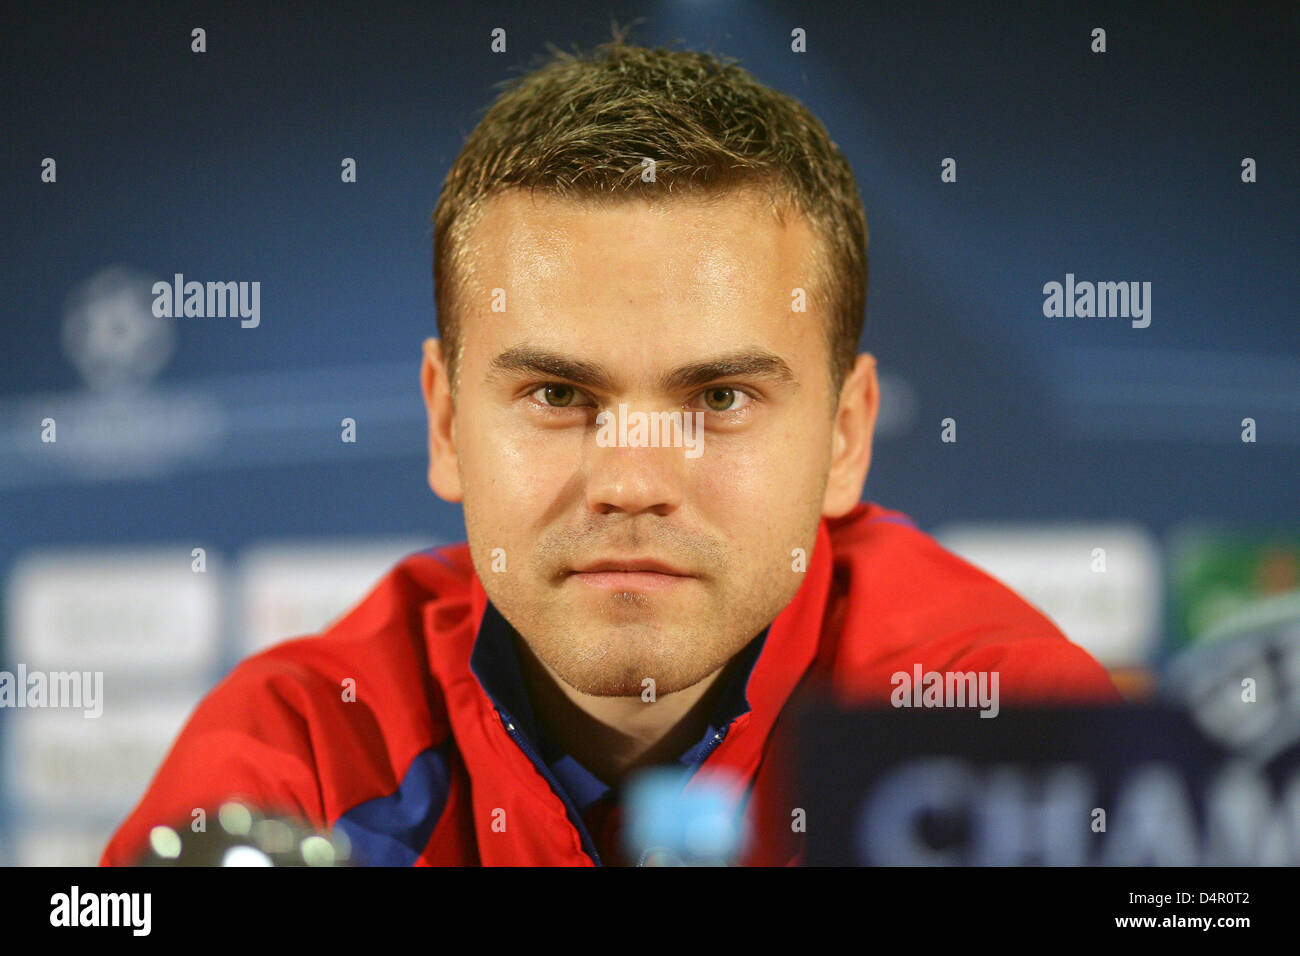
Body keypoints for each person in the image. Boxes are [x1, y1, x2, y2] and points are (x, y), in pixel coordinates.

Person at [102, 37, 1119, 868]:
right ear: (448, 424)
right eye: (557, 394)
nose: (632, 480)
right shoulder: (303, 758)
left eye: (718, 398)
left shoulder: (1008, 731)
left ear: (845, 436)